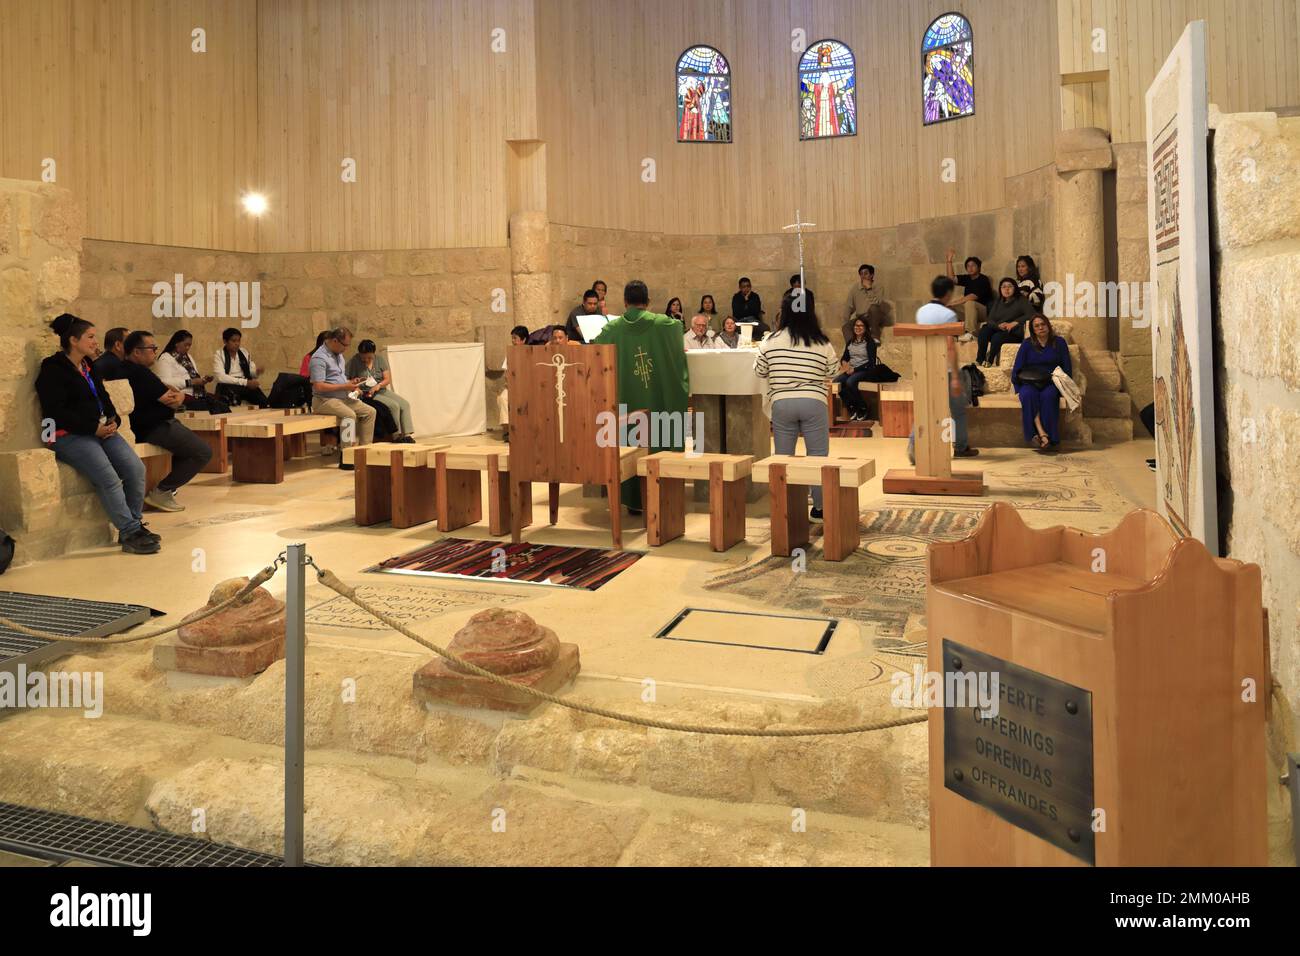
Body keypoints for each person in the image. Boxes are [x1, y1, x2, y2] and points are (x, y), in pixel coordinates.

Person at [35, 315, 158, 554]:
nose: (95, 342)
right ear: (73, 340)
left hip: (100, 430)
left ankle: (132, 526)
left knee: (136, 469)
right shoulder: (52, 369)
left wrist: (113, 419)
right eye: (90, 337)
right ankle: (131, 532)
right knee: (109, 478)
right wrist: (93, 428)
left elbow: (103, 397)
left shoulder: (88, 366)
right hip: (66, 434)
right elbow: (55, 412)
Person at [592, 280, 690, 513]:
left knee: (629, 439)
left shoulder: (611, 330)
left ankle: (633, 500)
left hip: (626, 403)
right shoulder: (665, 325)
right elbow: (678, 330)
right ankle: (662, 495)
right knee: (660, 433)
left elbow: (596, 353)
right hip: (658, 398)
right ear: (647, 302)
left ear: (625, 302)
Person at [755, 290, 839, 519]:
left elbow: (759, 370)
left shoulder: (771, 340)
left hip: (782, 403)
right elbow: (833, 371)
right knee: (818, 456)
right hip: (814, 401)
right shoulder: (821, 341)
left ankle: (786, 508)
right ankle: (820, 508)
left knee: (783, 457)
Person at [122, 330, 213, 512]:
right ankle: (162, 491)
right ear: (136, 352)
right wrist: (178, 395)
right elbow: (172, 399)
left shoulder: (135, 370)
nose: (155, 351)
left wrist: (175, 394)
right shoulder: (139, 373)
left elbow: (167, 391)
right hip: (155, 426)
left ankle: (166, 489)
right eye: (151, 348)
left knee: (187, 451)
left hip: (156, 423)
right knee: (203, 453)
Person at [906, 276, 979, 463]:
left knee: (924, 409)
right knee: (958, 410)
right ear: (948, 293)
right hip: (944, 369)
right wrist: (955, 377)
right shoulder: (948, 314)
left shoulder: (921, 312)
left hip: (925, 367)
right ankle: (961, 447)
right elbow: (949, 347)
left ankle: (914, 447)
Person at [309, 327, 376, 469]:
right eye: (345, 345)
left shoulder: (338, 354)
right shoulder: (318, 358)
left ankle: (364, 453)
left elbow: (339, 378)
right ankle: (347, 456)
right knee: (349, 415)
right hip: (324, 400)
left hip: (343, 397)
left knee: (370, 412)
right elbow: (319, 386)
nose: (346, 349)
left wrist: (353, 384)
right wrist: (345, 387)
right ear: (334, 340)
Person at [1013, 314, 1072, 452]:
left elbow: (1067, 367)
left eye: (1043, 324)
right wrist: (1017, 386)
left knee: (1049, 397)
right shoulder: (1027, 344)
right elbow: (1018, 368)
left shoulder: (1059, 342)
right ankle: (1037, 434)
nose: (1041, 328)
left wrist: (1065, 384)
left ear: (1048, 326)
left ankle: (1049, 436)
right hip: (1029, 382)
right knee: (1028, 396)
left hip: (1051, 381)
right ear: (1033, 330)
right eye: (1037, 326)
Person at [346, 339, 415, 443]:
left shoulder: (380, 360)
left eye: (369, 357)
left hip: (380, 389)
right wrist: (355, 384)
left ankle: (407, 434)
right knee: (393, 405)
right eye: (363, 357)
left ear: (374, 354)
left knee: (404, 404)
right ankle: (396, 435)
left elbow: (387, 379)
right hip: (367, 393)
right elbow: (346, 379)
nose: (366, 360)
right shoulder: (353, 362)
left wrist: (379, 385)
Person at [156, 330, 228, 413]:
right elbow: (165, 382)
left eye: (189, 345)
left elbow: (193, 377)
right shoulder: (166, 358)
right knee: (216, 406)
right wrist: (190, 382)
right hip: (182, 395)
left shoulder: (188, 357)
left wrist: (203, 380)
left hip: (196, 393)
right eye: (185, 345)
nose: (188, 348)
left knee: (223, 400)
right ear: (176, 343)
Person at [977, 278, 1035, 367]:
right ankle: (980, 359)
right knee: (984, 331)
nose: (1006, 289)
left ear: (1015, 288)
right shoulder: (998, 301)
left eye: (1009, 286)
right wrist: (998, 326)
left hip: (1013, 332)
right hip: (999, 328)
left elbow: (1031, 314)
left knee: (997, 337)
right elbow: (990, 319)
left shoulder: (1021, 300)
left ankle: (990, 360)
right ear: (1000, 289)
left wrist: (1015, 322)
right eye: (1003, 287)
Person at [842, 263, 888, 364]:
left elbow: (878, 304)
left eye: (866, 273)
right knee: (846, 327)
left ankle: (875, 337)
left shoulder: (878, 287)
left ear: (871, 275)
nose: (863, 276)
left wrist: (869, 289)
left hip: (874, 316)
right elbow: (849, 306)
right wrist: (845, 322)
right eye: (861, 274)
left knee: (874, 309)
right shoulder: (855, 288)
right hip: (861, 318)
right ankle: (854, 350)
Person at [213, 328, 269, 407]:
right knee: (232, 399)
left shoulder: (244, 352)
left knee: (265, 403)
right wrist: (245, 382)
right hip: (228, 385)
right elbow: (220, 377)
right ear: (225, 341)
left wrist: (256, 372)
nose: (237, 344)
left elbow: (250, 373)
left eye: (239, 340)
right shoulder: (219, 354)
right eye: (233, 341)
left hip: (244, 385)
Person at [946, 250, 994, 339]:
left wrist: (955, 302)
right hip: (969, 311)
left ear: (979, 267)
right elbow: (951, 279)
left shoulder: (983, 279)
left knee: (969, 303)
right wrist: (949, 261)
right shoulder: (967, 278)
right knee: (949, 307)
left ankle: (971, 333)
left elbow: (972, 296)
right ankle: (954, 332)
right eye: (968, 266)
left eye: (973, 265)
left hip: (983, 312)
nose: (970, 268)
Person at [834, 318, 874, 421]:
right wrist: (843, 362)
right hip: (851, 370)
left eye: (861, 326)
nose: (858, 328)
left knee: (850, 382)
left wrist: (855, 370)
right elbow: (845, 357)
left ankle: (863, 407)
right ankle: (852, 407)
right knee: (837, 382)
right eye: (856, 325)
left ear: (865, 328)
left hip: (864, 370)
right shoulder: (850, 342)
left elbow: (871, 363)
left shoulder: (870, 342)